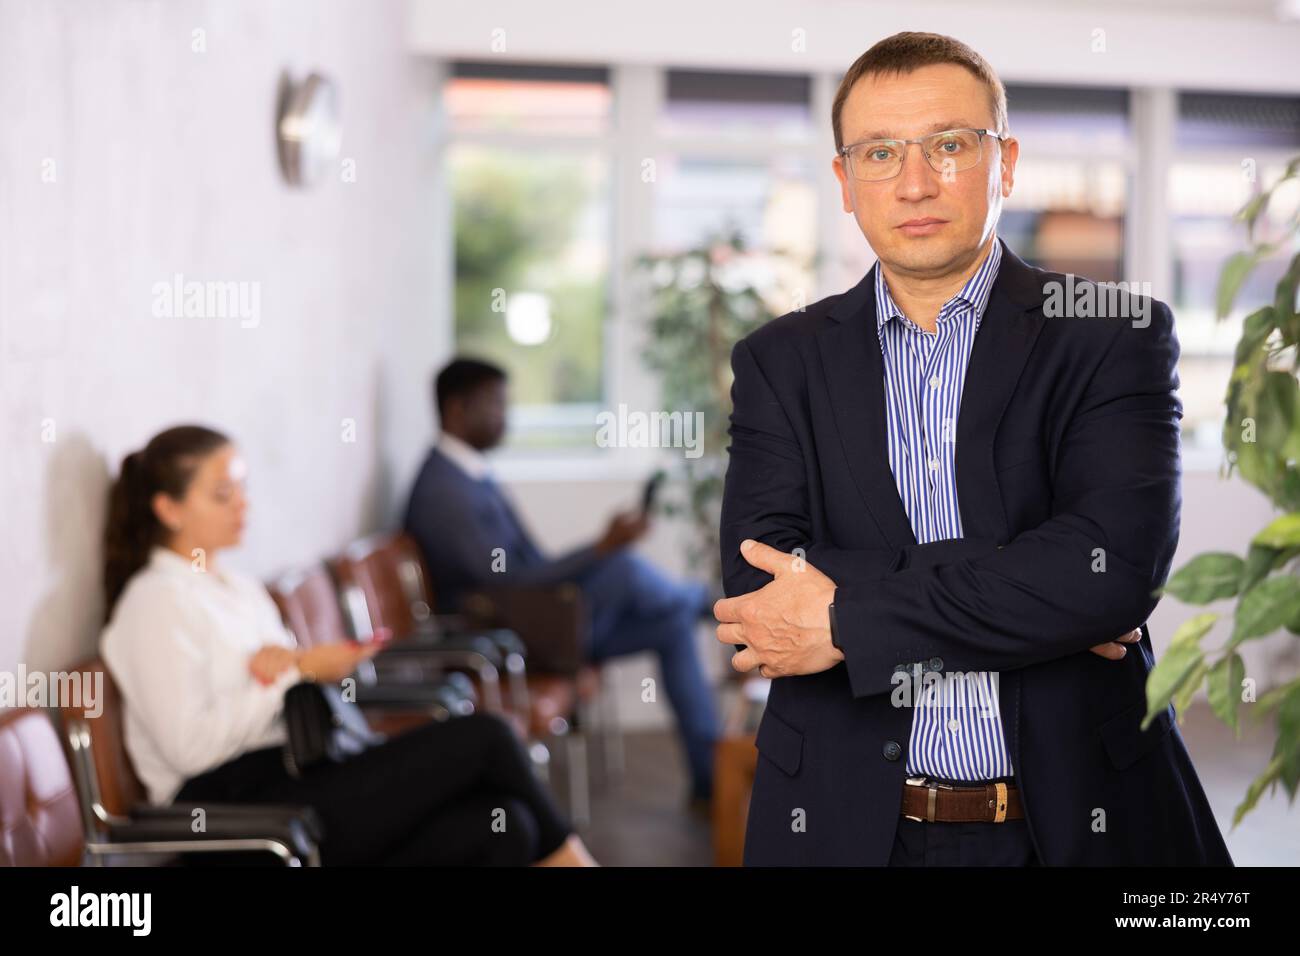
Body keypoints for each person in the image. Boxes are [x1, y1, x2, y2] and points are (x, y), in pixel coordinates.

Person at [713, 32, 1232, 866]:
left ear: (1006, 160)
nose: (915, 182)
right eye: (879, 153)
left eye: (950, 145)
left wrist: (845, 611)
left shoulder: (1110, 335)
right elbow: (757, 587)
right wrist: (1040, 586)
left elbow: (1111, 569)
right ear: (845, 182)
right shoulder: (781, 361)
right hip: (846, 825)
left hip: (1078, 820)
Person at [100, 424, 597, 866]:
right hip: (234, 810)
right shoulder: (154, 604)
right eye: (223, 494)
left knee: (504, 824)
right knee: (487, 737)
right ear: (168, 509)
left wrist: (301, 668)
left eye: (243, 488)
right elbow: (189, 748)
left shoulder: (237, 589)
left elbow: (286, 680)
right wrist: (296, 671)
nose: (243, 505)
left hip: (299, 770)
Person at [403, 358, 721, 804]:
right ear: (457, 409)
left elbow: (532, 566)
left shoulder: (471, 476)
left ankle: (713, 780)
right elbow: (507, 584)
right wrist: (601, 549)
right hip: (505, 637)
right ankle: (708, 603)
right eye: (496, 405)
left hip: (531, 617)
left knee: (671, 625)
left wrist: (600, 547)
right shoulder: (445, 492)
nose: (505, 417)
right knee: (625, 570)